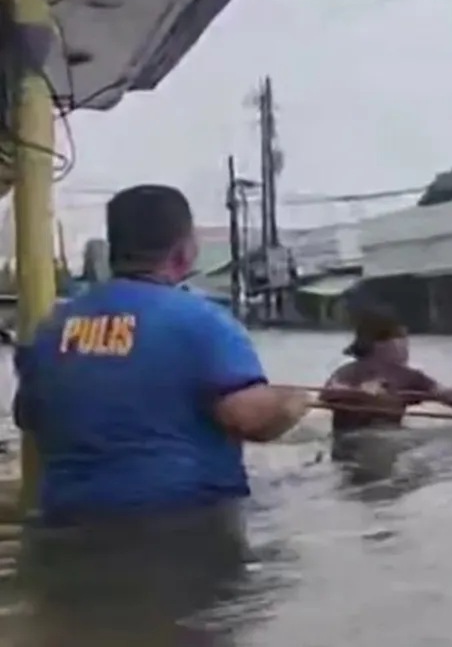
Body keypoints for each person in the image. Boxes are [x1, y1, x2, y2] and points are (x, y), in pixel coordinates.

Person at [10, 185, 312, 640]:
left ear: (115, 248)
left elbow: (27, 414)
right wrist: (291, 401)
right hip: (179, 535)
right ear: (184, 250)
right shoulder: (200, 321)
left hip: (67, 532)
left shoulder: (54, 328)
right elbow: (248, 418)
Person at [319, 307, 452, 433]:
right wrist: (361, 393)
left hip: (373, 444)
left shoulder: (407, 377)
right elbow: (328, 394)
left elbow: (451, 397)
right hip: (363, 444)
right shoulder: (353, 372)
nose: (406, 346)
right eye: (401, 339)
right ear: (380, 343)